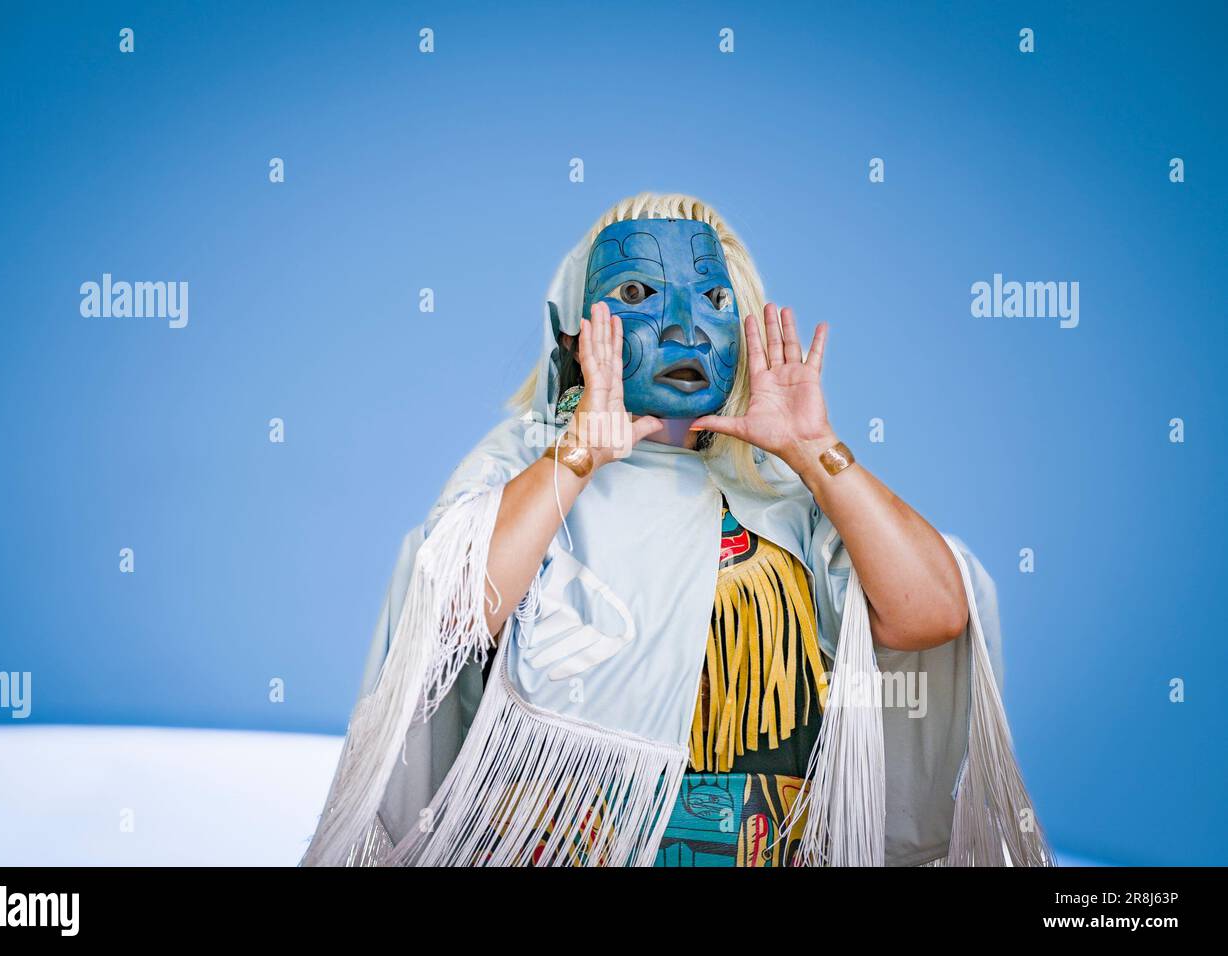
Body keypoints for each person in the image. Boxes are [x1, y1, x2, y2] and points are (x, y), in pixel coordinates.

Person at [302, 192, 1053, 868]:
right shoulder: (527, 465)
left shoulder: (785, 494)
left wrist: (815, 451)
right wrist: (579, 455)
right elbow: (453, 618)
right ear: (572, 336)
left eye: (715, 297)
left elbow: (935, 616)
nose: (684, 325)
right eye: (636, 292)